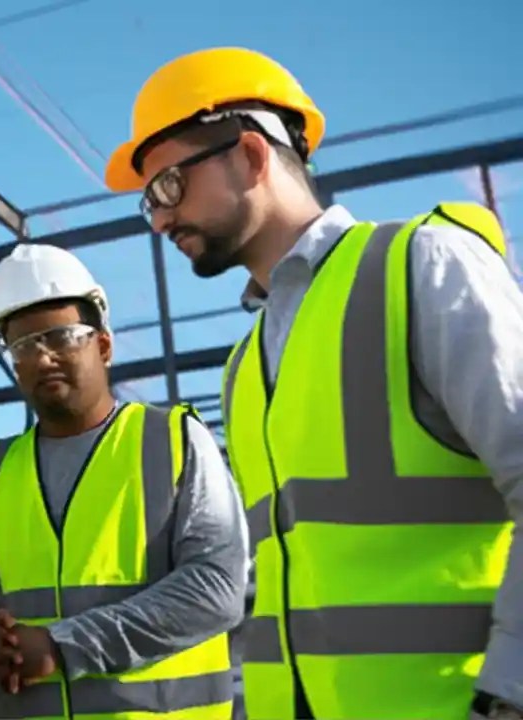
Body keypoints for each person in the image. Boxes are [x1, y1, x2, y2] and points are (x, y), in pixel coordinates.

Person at [105, 46, 523, 720]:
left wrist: (508, 698)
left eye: (168, 187)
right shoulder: (246, 366)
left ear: (250, 153)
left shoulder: (420, 267)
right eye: (149, 202)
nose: (157, 219)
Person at [0, 243, 248, 720]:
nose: (43, 358)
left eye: (62, 337)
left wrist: (63, 645)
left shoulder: (173, 441)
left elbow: (216, 587)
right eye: (23, 346)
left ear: (103, 345)